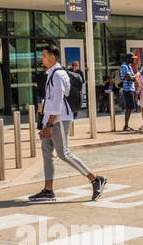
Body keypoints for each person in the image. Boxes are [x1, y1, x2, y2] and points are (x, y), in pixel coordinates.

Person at [28, 44, 106, 203]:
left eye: (44, 55)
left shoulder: (57, 75)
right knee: (47, 151)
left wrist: (49, 125)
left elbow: (57, 103)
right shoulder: (51, 73)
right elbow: (49, 102)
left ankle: (95, 179)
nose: (41, 57)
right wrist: (44, 123)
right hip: (51, 119)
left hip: (58, 119)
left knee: (64, 153)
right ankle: (48, 190)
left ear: (52, 57)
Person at [117, 52, 138, 131]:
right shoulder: (124, 66)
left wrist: (134, 76)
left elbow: (132, 77)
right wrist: (136, 76)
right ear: (127, 58)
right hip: (127, 89)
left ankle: (126, 125)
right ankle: (126, 126)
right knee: (129, 107)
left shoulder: (129, 66)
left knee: (131, 107)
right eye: (132, 58)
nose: (133, 60)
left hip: (131, 88)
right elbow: (129, 77)